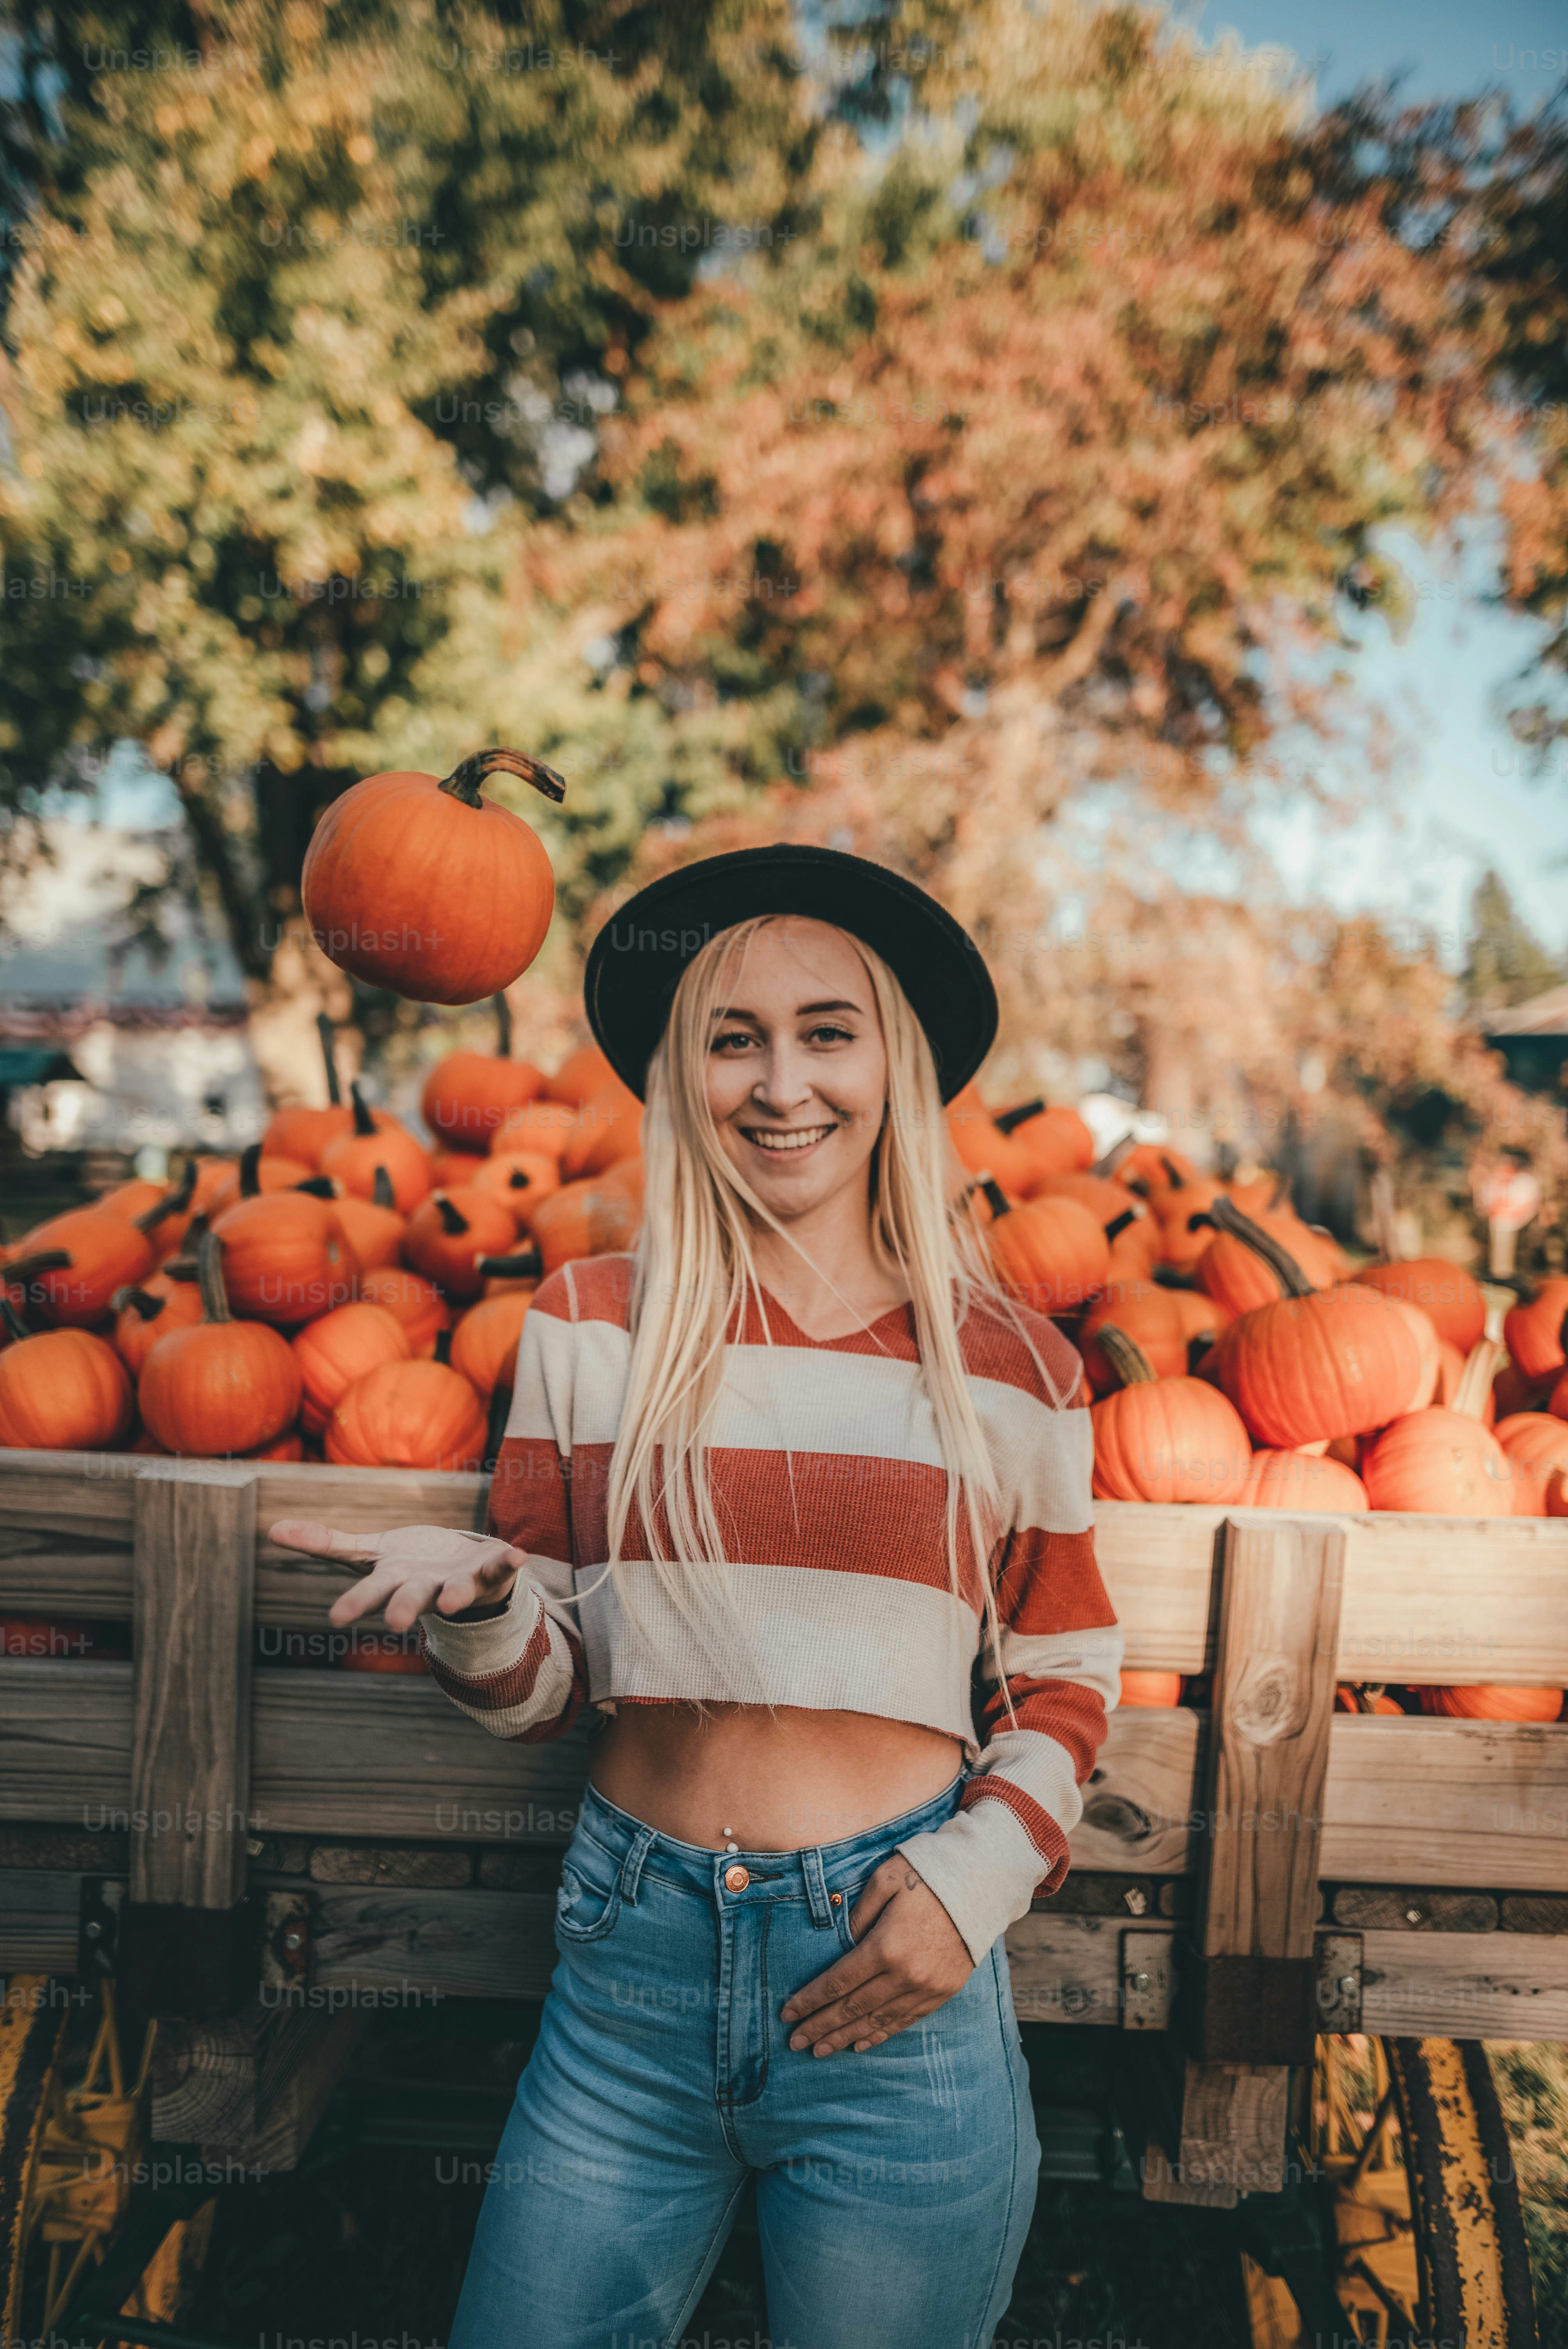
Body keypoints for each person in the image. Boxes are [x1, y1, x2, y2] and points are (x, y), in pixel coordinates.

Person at [271, 844, 1122, 2349]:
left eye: (826, 1032)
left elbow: (1058, 1679)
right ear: (685, 1075)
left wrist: (968, 1890)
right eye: (734, 1039)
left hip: (892, 1960)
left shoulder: (1015, 1366)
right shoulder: (594, 1324)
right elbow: (543, 1695)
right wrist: (480, 1602)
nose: (781, 1081)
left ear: (894, 1066)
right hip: (630, 1971)